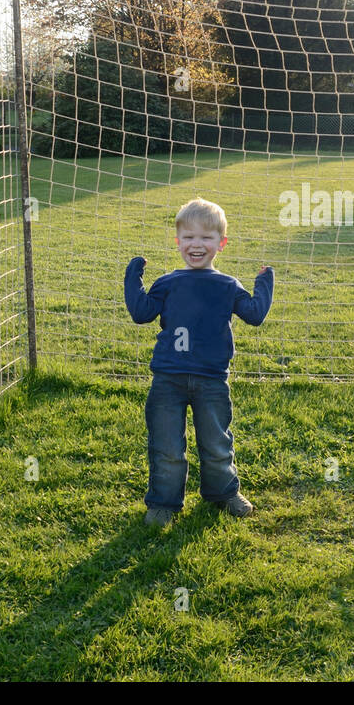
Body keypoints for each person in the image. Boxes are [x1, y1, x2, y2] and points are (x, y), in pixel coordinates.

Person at [124, 197, 274, 528]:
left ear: (221, 243)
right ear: (178, 242)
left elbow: (254, 314)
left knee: (217, 442)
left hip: (211, 380)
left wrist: (264, 282)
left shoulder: (226, 285)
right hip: (167, 379)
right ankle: (164, 503)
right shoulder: (167, 282)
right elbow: (141, 313)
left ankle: (223, 493)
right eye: (189, 237)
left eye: (206, 238)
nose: (197, 244)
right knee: (166, 446)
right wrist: (133, 276)